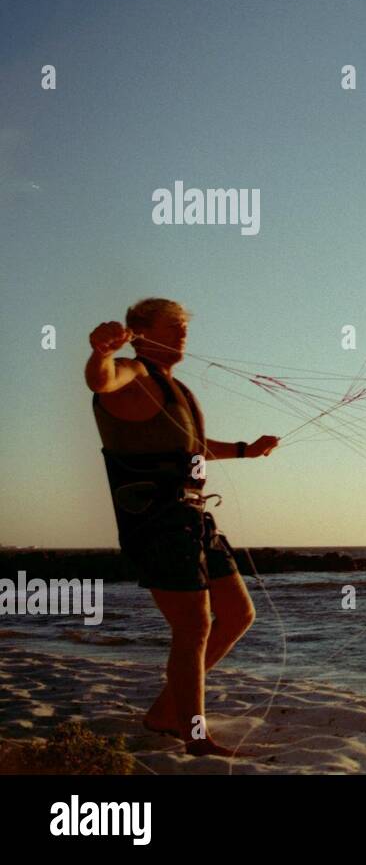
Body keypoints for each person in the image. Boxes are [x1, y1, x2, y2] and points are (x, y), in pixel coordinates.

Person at [85, 298, 278, 757]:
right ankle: (194, 736)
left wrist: (244, 450)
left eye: (185, 326)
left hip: (193, 518)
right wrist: (101, 352)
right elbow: (101, 380)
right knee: (192, 628)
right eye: (174, 327)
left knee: (237, 615)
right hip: (155, 521)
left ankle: (164, 712)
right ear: (139, 331)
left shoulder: (176, 388)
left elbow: (191, 448)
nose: (184, 334)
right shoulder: (132, 374)